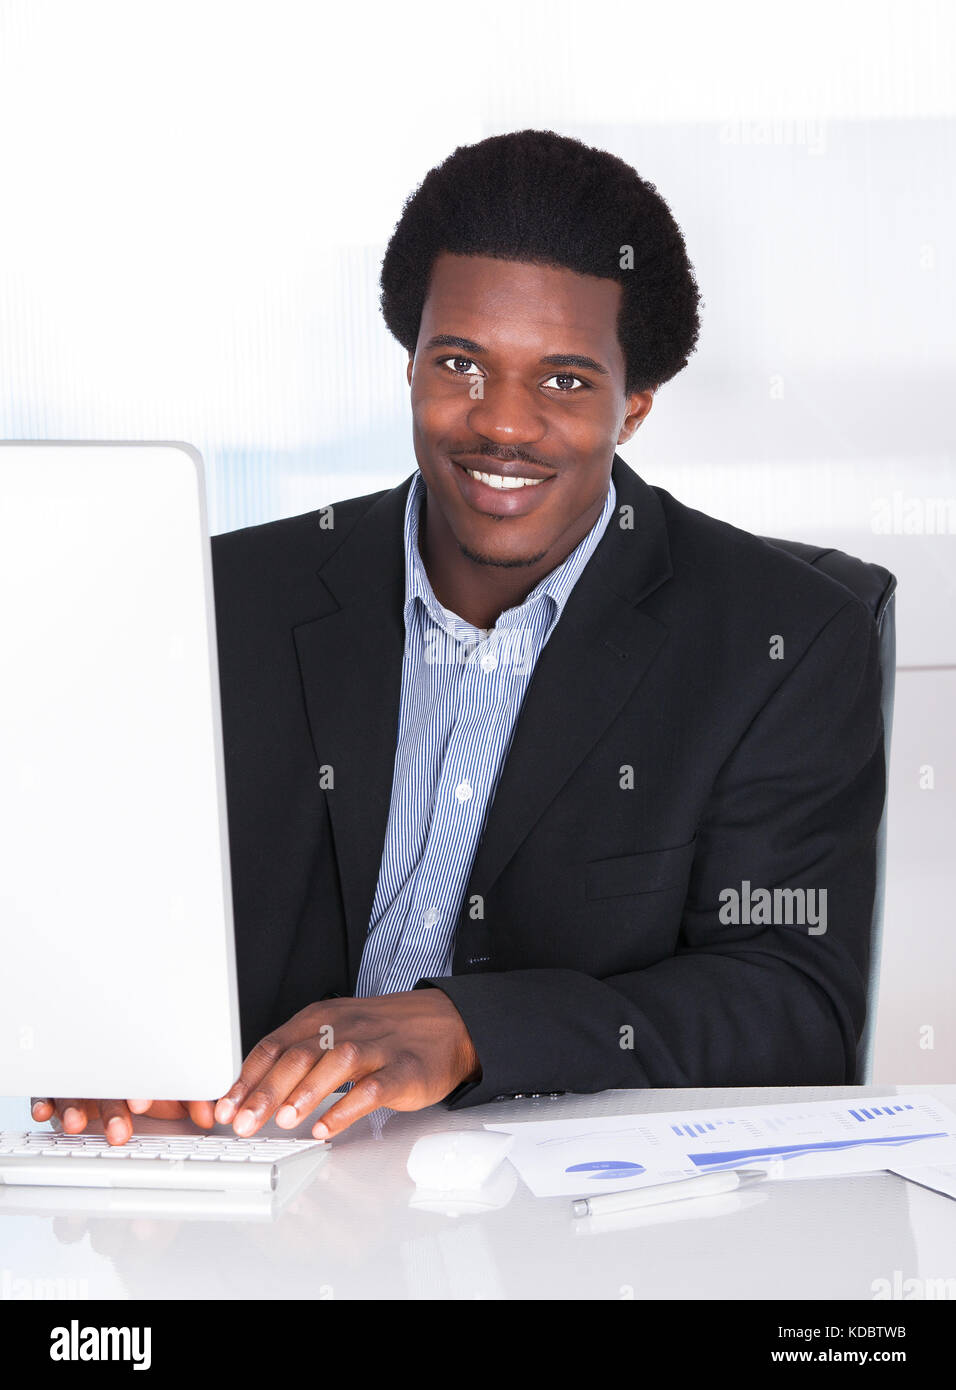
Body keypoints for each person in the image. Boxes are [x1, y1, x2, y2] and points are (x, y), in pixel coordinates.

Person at [33, 129, 886, 1147]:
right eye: (459, 362)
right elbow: (105, 919)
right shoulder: (217, 600)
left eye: (565, 381)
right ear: (409, 367)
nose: (502, 424)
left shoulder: (781, 639)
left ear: (636, 405)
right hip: (242, 1193)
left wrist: (468, 1028)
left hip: (553, 1234)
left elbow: (793, 1010)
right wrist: (124, 1060)